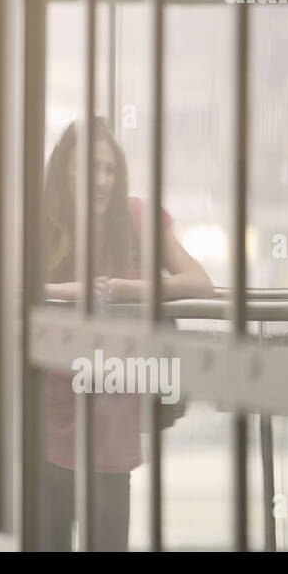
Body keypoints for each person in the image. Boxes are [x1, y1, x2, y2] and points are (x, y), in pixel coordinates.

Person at [40, 116, 213, 550]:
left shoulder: (136, 217)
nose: (102, 181)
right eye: (88, 169)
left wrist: (123, 289)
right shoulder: (42, 221)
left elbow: (198, 281)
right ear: (64, 172)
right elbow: (2, 286)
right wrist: (71, 291)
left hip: (111, 430)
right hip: (44, 424)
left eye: (110, 170)